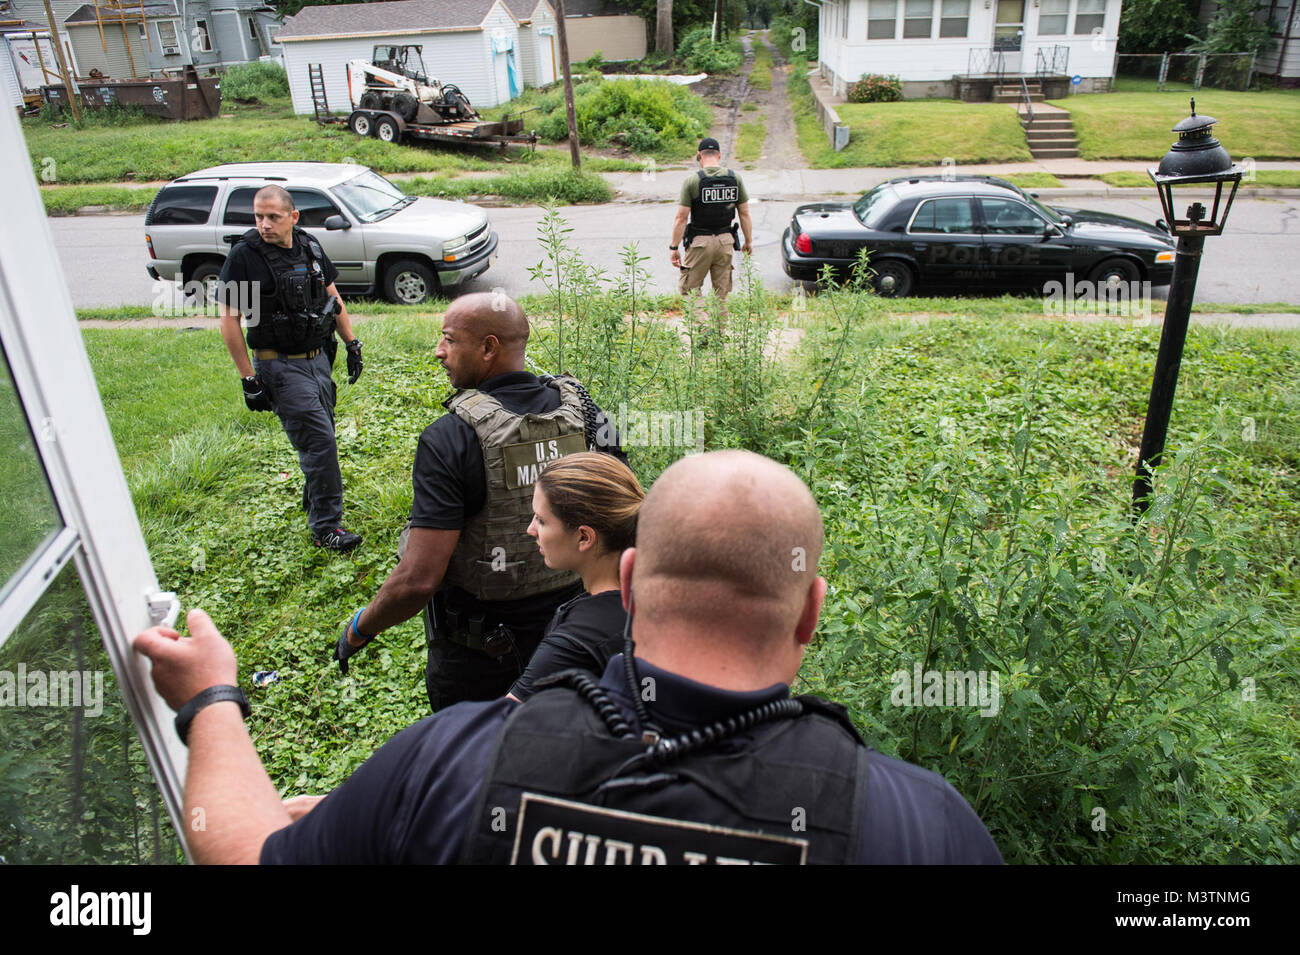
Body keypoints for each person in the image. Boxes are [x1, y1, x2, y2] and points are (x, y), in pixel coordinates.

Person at [133, 450, 1003, 865]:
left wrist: (209, 698)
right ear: (810, 609)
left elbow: (245, 855)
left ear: (626, 577)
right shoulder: (928, 826)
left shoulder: (450, 762)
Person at [331, 291, 626, 711]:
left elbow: (418, 579)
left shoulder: (449, 439)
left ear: (488, 348)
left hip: (483, 658)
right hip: (581, 635)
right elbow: (624, 516)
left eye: (449, 339)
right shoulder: (591, 416)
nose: (438, 352)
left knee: (472, 761)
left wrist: (359, 628)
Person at [217, 184, 365, 552]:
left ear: (293, 217)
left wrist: (351, 343)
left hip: (318, 360)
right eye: (258, 217)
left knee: (321, 437)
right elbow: (230, 320)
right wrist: (247, 378)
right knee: (321, 442)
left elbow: (332, 297)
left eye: (273, 217)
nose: (264, 225)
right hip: (278, 365)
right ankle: (326, 528)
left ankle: (315, 500)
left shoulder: (309, 247)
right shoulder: (245, 257)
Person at [507, 451, 643, 702]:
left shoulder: (576, 641)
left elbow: (499, 722)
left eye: (541, 520)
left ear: (584, 537)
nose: (530, 529)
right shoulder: (665, 588)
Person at [669, 137, 754, 328]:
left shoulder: (693, 181)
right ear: (719, 155)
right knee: (720, 294)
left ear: (699, 156)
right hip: (726, 242)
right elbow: (744, 213)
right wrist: (748, 241)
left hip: (700, 242)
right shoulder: (735, 178)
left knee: (690, 290)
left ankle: (704, 326)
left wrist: (674, 247)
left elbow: (681, 218)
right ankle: (718, 342)